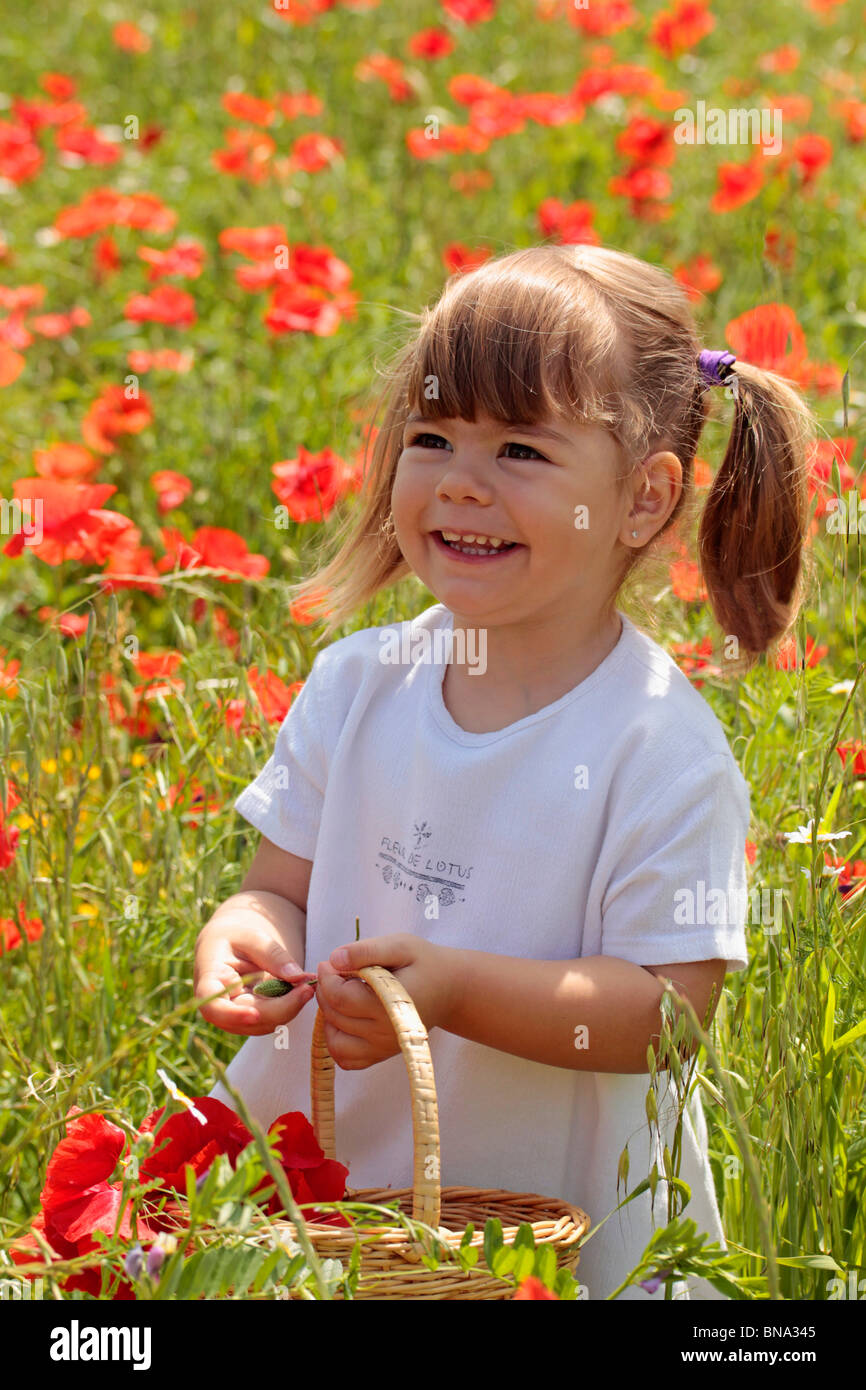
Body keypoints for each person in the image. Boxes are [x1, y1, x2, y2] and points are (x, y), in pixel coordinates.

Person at [194, 242, 814, 1300]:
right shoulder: (358, 684)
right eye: (430, 437)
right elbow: (277, 886)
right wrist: (248, 934)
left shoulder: (657, 746)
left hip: (557, 1223)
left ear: (640, 498)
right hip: (340, 1205)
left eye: (520, 452)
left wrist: (456, 993)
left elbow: (669, 1013)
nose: (459, 484)